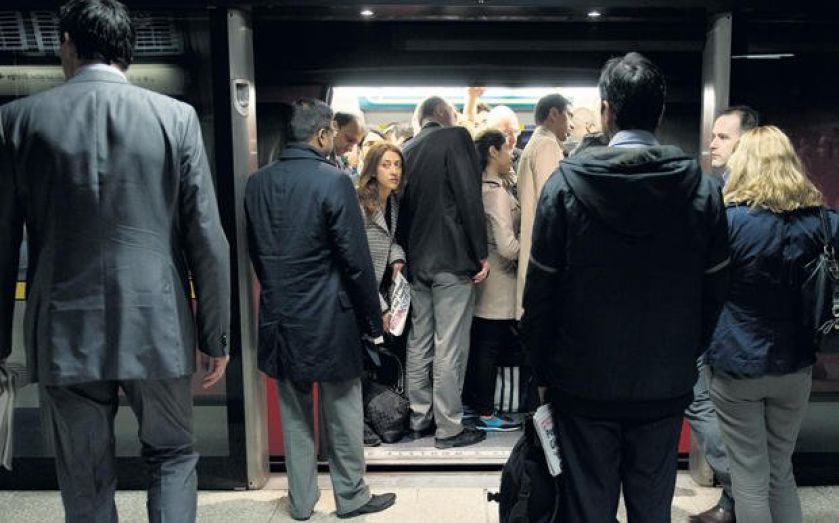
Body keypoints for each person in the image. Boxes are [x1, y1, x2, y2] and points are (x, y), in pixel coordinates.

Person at [0, 1, 231, 521]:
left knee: (83, 472)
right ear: (126, 50)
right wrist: (215, 336)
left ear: (67, 44)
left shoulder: (17, 121)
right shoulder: (177, 118)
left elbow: (1, 239)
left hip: (64, 328)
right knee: (172, 455)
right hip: (159, 325)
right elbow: (207, 237)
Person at [521, 52, 730, 523]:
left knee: (586, 508)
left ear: (606, 111)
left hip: (583, 382)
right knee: (652, 508)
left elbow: (541, 295)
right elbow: (716, 290)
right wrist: (684, 350)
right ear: (657, 112)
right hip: (664, 381)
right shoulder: (701, 189)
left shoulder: (566, 187)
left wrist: (543, 369)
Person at [245, 98, 395, 520]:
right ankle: (351, 496)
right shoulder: (332, 181)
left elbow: (259, 253)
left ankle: (301, 501)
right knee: (343, 410)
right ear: (323, 135)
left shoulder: (257, 183)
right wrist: (372, 320)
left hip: (280, 315)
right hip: (331, 317)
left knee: (294, 413)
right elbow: (355, 260)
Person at [706, 126, 832, 523]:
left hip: (735, 363)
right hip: (796, 365)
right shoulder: (823, 222)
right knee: (780, 472)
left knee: (748, 477)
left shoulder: (727, 222)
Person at [398, 95, 489, 449]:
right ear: (441, 114)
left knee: (419, 342)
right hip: (452, 259)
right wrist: (480, 252)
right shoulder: (456, 137)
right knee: (450, 345)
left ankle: (419, 418)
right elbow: (469, 195)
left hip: (417, 260)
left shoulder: (407, 148)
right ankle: (449, 427)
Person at [688, 105, 760, 523]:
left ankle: (740, 494)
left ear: (746, 142)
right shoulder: (725, 188)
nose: (712, 143)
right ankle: (737, 499)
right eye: (713, 135)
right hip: (735, 325)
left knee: (699, 402)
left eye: (723, 137)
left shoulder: (734, 199)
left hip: (725, 326)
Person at [463, 129, 522, 432]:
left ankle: (477, 406)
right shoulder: (496, 193)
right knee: (489, 347)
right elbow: (509, 246)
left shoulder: (485, 186)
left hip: (487, 283)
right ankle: (486, 413)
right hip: (499, 283)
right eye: (508, 149)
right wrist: (532, 240)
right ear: (493, 152)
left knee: (483, 345)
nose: (511, 154)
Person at [515, 93, 572, 319]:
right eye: (568, 115)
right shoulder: (547, 145)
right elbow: (553, 204)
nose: (571, 123)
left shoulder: (533, 145)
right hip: (545, 256)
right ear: (554, 114)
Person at [709, 105, 760, 183]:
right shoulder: (725, 180)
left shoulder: (759, 187)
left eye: (723, 137)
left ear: (746, 140)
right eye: (714, 137)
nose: (712, 145)